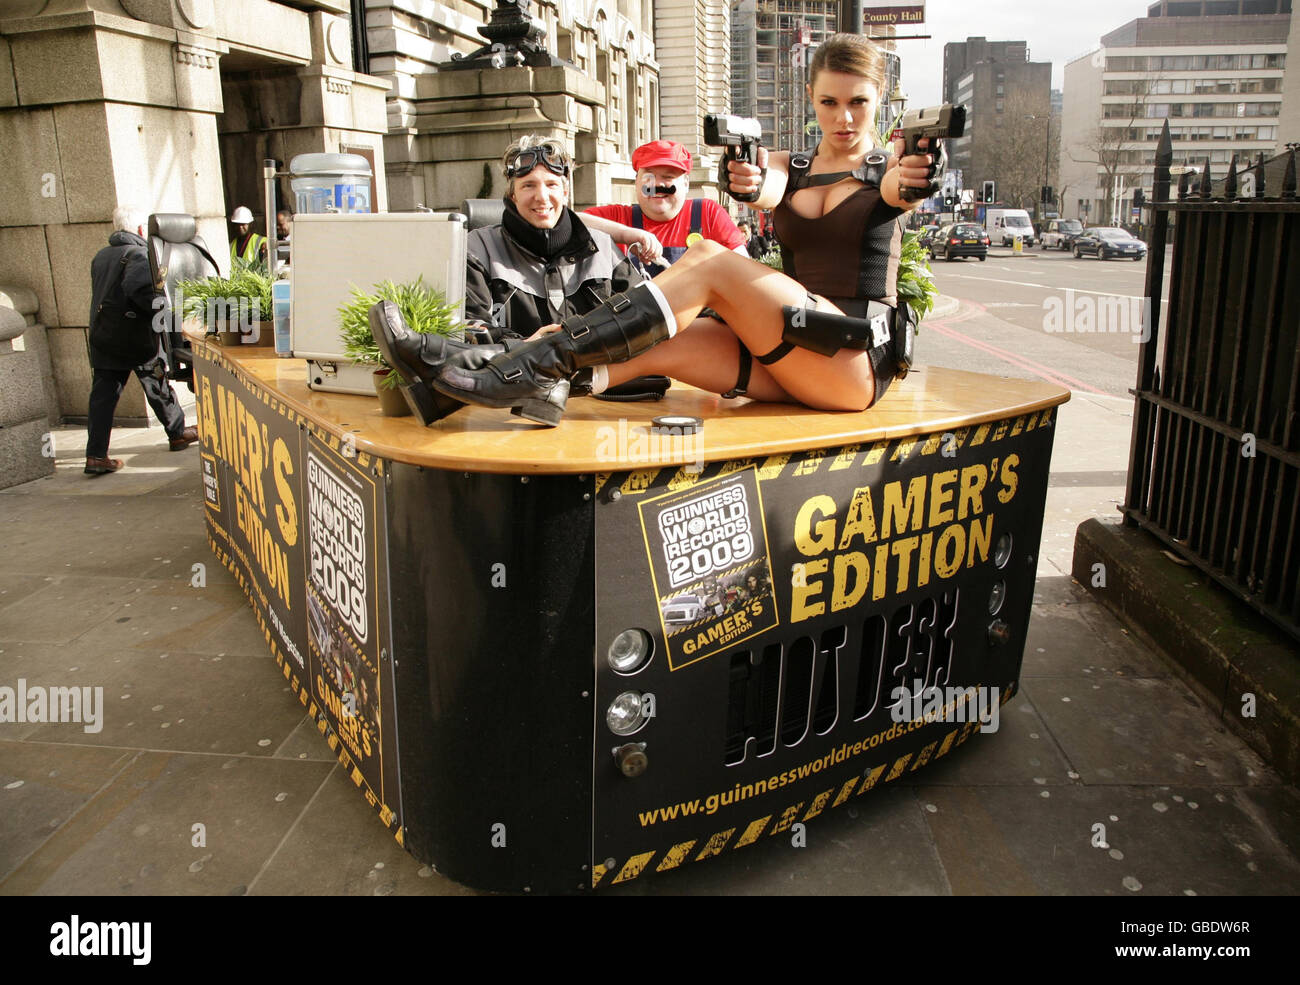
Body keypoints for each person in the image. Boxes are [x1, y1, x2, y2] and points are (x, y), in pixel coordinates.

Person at [425, 33, 939, 427]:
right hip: (789, 357)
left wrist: (913, 177)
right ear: (811, 97)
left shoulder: (891, 164)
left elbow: (902, 187)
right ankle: (468, 382)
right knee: (651, 340)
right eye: (829, 102)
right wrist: (748, 178)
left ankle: (534, 364)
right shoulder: (791, 165)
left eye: (858, 102)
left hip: (852, 361)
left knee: (710, 258)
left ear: (881, 98)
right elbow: (764, 186)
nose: (843, 117)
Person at [370, 136, 653, 424]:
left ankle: (429, 361)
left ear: (566, 191)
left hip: (604, 407)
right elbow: (468, 327)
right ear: (512, 194)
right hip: (503, 418)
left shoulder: (603, 248)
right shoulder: (478, 248)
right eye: (528, 185)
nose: (541, 197)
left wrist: (541, 349)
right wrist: (526, 342)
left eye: (551, 184)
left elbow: (646, 325)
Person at [84, 206, 198, 474]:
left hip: (104, 336)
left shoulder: (101, 256)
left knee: (102, 398)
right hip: (134, 339)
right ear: (138, 230)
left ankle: (95, 455)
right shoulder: (137, 255)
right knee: (156, 380)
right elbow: (139, 291)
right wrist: (168, 318)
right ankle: (178, 432)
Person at [581, 139, 748, 275]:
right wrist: (626, 234)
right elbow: (568, 221)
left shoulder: (708, 214)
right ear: (636, 182)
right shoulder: (620, 217)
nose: (658, 185)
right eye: (649, 177)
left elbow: (744, 269)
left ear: (685, 183)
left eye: (668, 177)